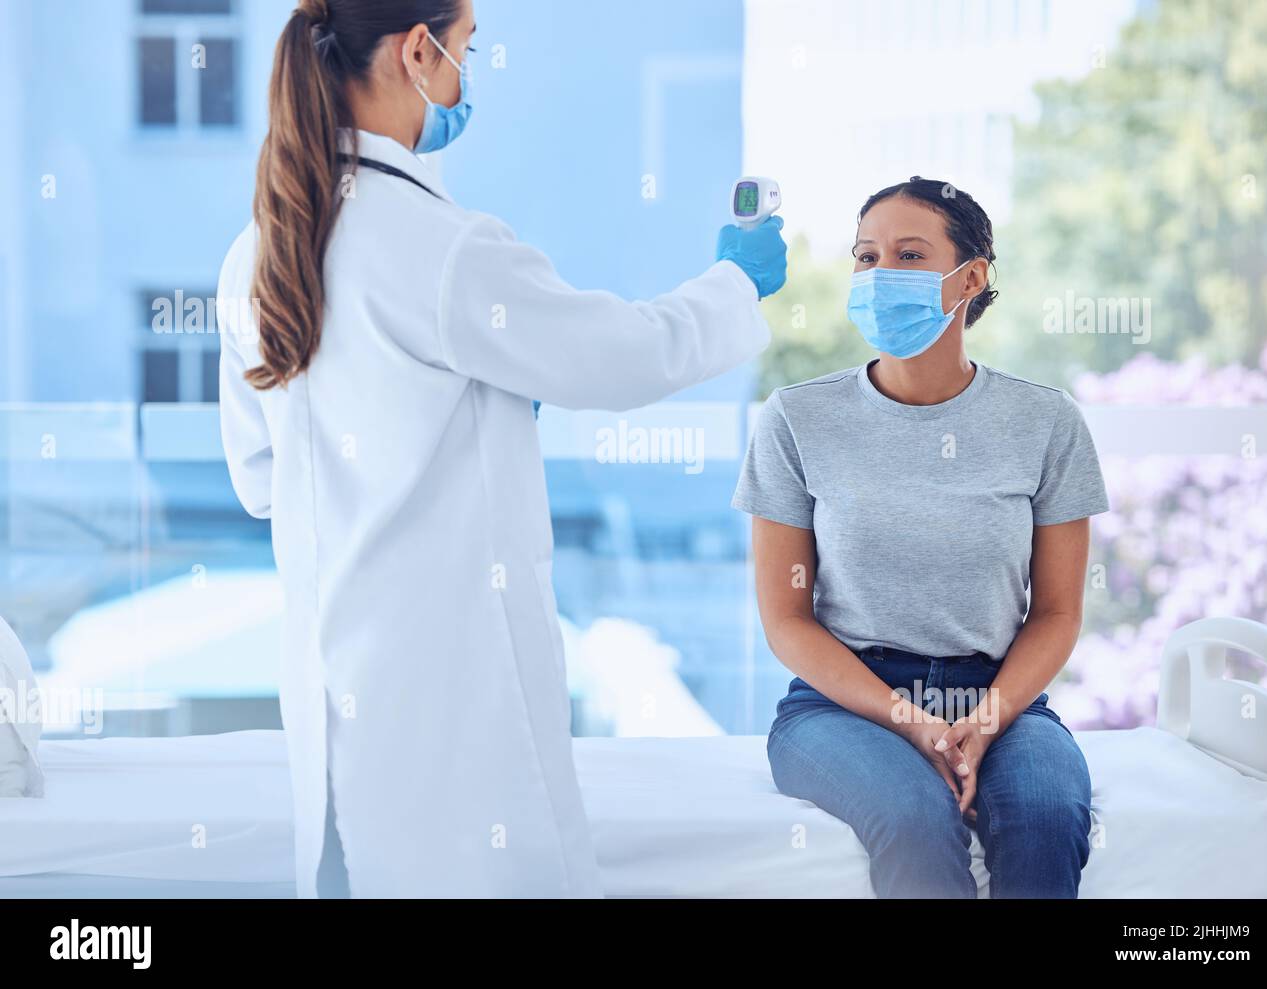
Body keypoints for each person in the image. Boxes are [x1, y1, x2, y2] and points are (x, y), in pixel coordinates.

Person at [217, 0, 786, 898]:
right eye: (465, 50)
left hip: (333, 710)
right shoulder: (443, 250)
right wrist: (733, 283)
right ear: (417, 51)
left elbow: (261, 480)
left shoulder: (255, 252)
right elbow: (622, 355)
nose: (464, 77)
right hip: (453, 706)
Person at [733, 176, 1106, 898]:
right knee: (914, 817)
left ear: (971, 278)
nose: (879, 277)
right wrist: (909, 721)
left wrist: (988, 717)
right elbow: (786, 620)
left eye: (908, 255)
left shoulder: (1046, 424)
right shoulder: (796, 420)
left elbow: (1057, 612)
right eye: (865, 257)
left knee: (1048, 815)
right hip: (840, 704)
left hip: (998, 692)